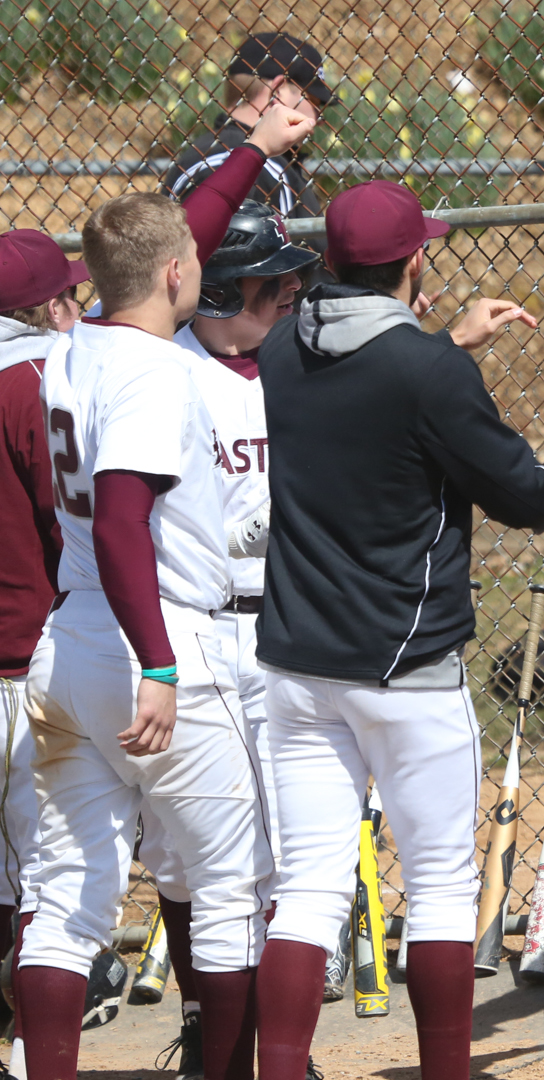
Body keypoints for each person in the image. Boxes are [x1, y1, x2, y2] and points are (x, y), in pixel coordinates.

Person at [247, 180, 544, 1080]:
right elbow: (526, 498)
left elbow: (373, 390)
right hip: (405, 664)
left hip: (295, 659)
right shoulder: (428, 370)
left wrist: (438, 341)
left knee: (308, 888)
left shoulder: (282, 345)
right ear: (413, 262)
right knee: (440, 881)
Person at [18, 104, 317, 1080]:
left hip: (69, 652)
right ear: (176, 275)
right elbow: (118, 518)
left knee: (68, 891)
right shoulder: (156, 371)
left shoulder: (69, 351)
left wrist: (251, 152)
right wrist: (157, 661)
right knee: (229, 888)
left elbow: (179, 229)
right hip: (167, 645)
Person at [135, 202, 324, 1080]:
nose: (290, 295)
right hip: (203, 627)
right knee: (189, 856)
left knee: (276, 853)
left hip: (282, 628)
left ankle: (267, 1051)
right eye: (271, 284)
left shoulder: (293, 364)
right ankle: (210, 1028)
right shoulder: (171, 374)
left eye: (293, 283)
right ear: (217, 290)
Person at [0, 229, 86, 1051]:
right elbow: (72, 529)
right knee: (45, 873)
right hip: (28, 659)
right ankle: (34, 1053)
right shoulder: (38, 382)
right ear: (48, 307)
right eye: (71, 296)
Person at [163, 32, 334, 222]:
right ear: (278, 91)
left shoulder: (204, 151)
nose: (320, 118)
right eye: (315, 102)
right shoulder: (256, 168)